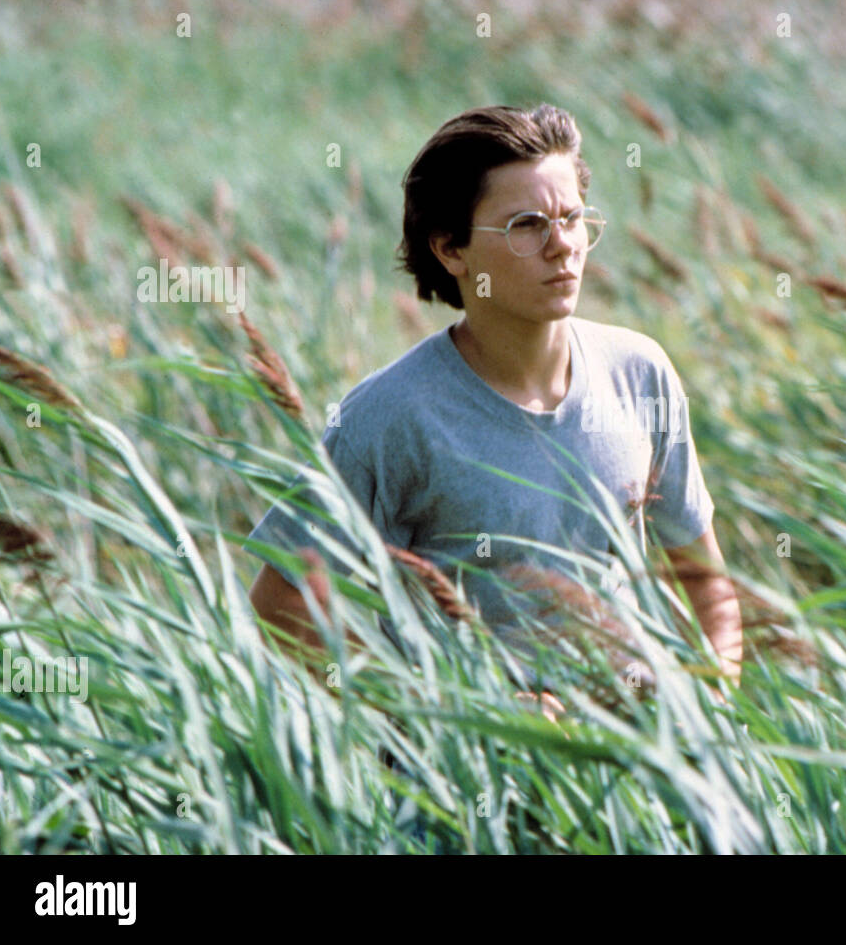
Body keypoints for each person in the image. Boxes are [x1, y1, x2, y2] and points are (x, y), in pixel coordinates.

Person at [244, 103, 742, 725]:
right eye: (527, 225)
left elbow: (705, 581)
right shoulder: (389, 417)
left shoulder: (640, 373)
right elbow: (281, 611)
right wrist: (449, 713)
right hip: (470, 792)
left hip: (636, 783)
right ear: (452, 249)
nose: (562, 244)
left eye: (572, 218)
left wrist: (712, 707)